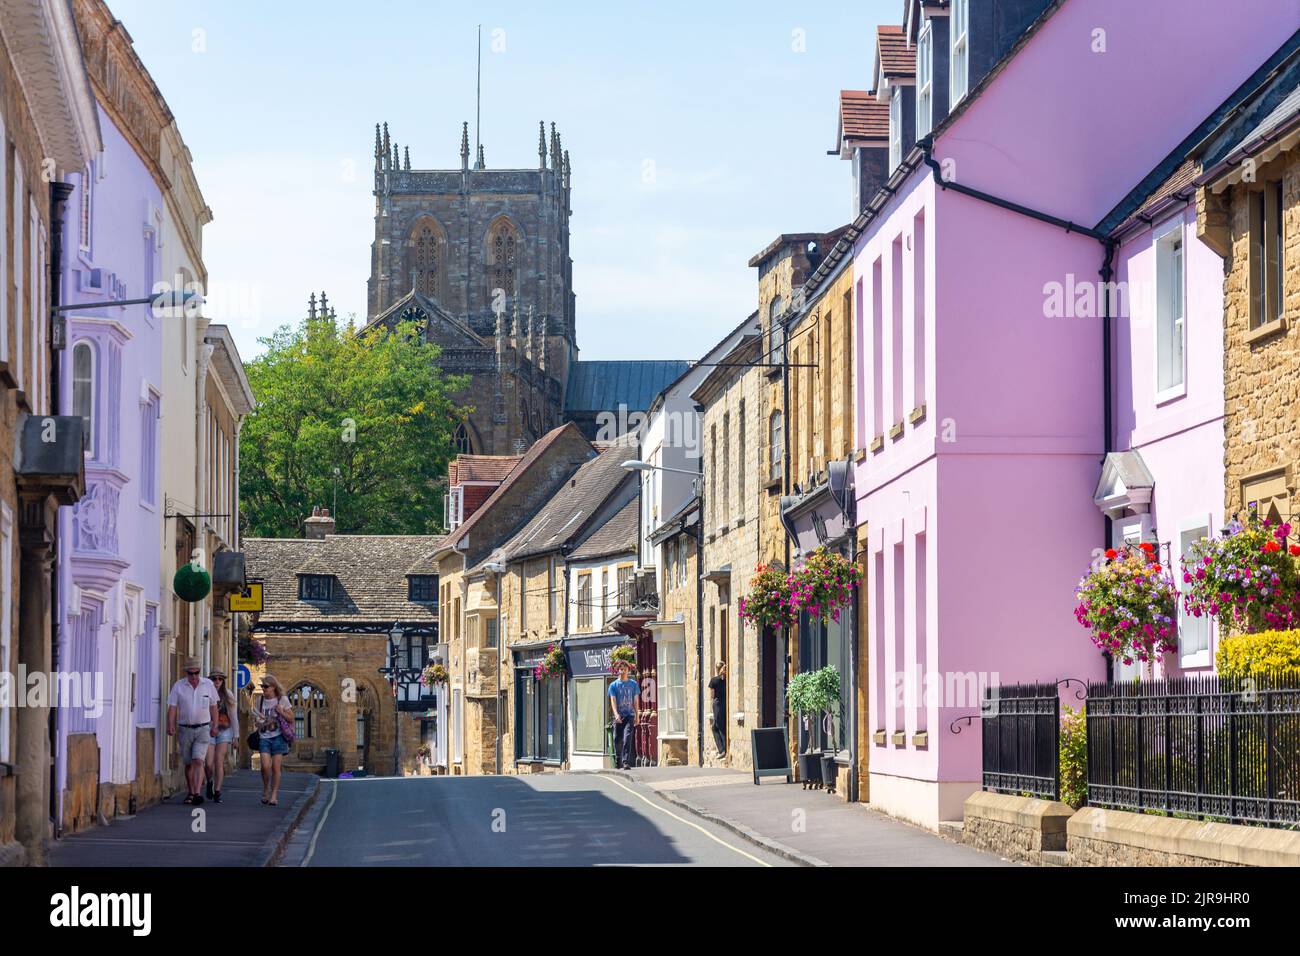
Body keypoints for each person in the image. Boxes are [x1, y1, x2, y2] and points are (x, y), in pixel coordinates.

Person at [166, 658, 219, 806]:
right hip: (185, 729)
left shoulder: (208, 685)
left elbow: (214, 706)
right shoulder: (179, 686)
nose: (194, 676)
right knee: (188, 763)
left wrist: (215, 725)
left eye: (197, 673)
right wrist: (170, 724)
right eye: (191, 673)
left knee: (198, 760)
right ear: (186, 673)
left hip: (203, 728)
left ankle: (196, 793)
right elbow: (172, 707)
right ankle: (190, 791)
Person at [255, 674, 293, 806]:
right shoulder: (259, 700)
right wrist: (259, 723)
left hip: (278, 738)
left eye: (266, 686)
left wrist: (281, 711)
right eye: (262, 686)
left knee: (276, 768)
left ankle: (274, 795)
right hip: (264, 737)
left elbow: (291, 719)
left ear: (273, 687)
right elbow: (256, 721)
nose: (263, 689)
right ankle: (266, 788)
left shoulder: (282, 700)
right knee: (265, 766)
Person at [204, 668, 239, 804]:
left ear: (223, 681)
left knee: (219, 761)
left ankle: (217, 791)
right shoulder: (206, 693)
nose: (217, 681)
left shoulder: (228, 694)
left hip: (224, 730)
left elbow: (233, 716)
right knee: (208, 763)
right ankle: (209, 781)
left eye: (220, 679)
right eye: (214, 679)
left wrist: (235, 736)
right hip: (209, 729)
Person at [608, 661, 640, 770]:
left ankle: (625, 761)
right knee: (617, 739)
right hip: (618, 716)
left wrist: (637, 714)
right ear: (618, 670)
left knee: (627, 738)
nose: (623, 670)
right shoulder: (613, 685)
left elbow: (635, 701)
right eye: (621, 668)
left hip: (629, 715)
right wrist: (616, 714)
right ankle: (618, 758)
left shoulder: (633, 684)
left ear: (628, 670)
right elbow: (613, 700)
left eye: (625, 669)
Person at [708, 661, 727, 756]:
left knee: (717, 726)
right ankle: (722, 749)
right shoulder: (726, 680)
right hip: (725, 703)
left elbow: (712, 695)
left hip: (717, 704)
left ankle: (723, 749)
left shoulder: (714, 680)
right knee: (718, 725)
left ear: (716, 669)